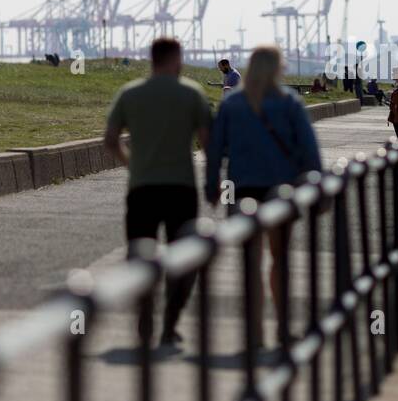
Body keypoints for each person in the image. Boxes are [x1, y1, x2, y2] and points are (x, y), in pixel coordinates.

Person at [205, 45, 322, 349]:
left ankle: (254, 333)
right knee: (280, 259)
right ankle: (282, 327)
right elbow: (309, 150)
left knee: (250, 261)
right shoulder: (289, 103)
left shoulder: (232, 103)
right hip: (282, 190)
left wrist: (211, 185)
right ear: (278, 69)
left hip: (242, 189)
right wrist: (318, 187)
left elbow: (215, 148)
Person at [104, 37, 213, 345]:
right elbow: (208, 142)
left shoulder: (130, 93)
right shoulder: (192, 93)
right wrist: (214, 180)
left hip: (142, 188)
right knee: (185, 256)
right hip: (181, 188)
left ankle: (144, 317)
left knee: (140, 254)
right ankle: (170, 323)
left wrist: (132, 164)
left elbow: (110, 139)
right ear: (174, 59)